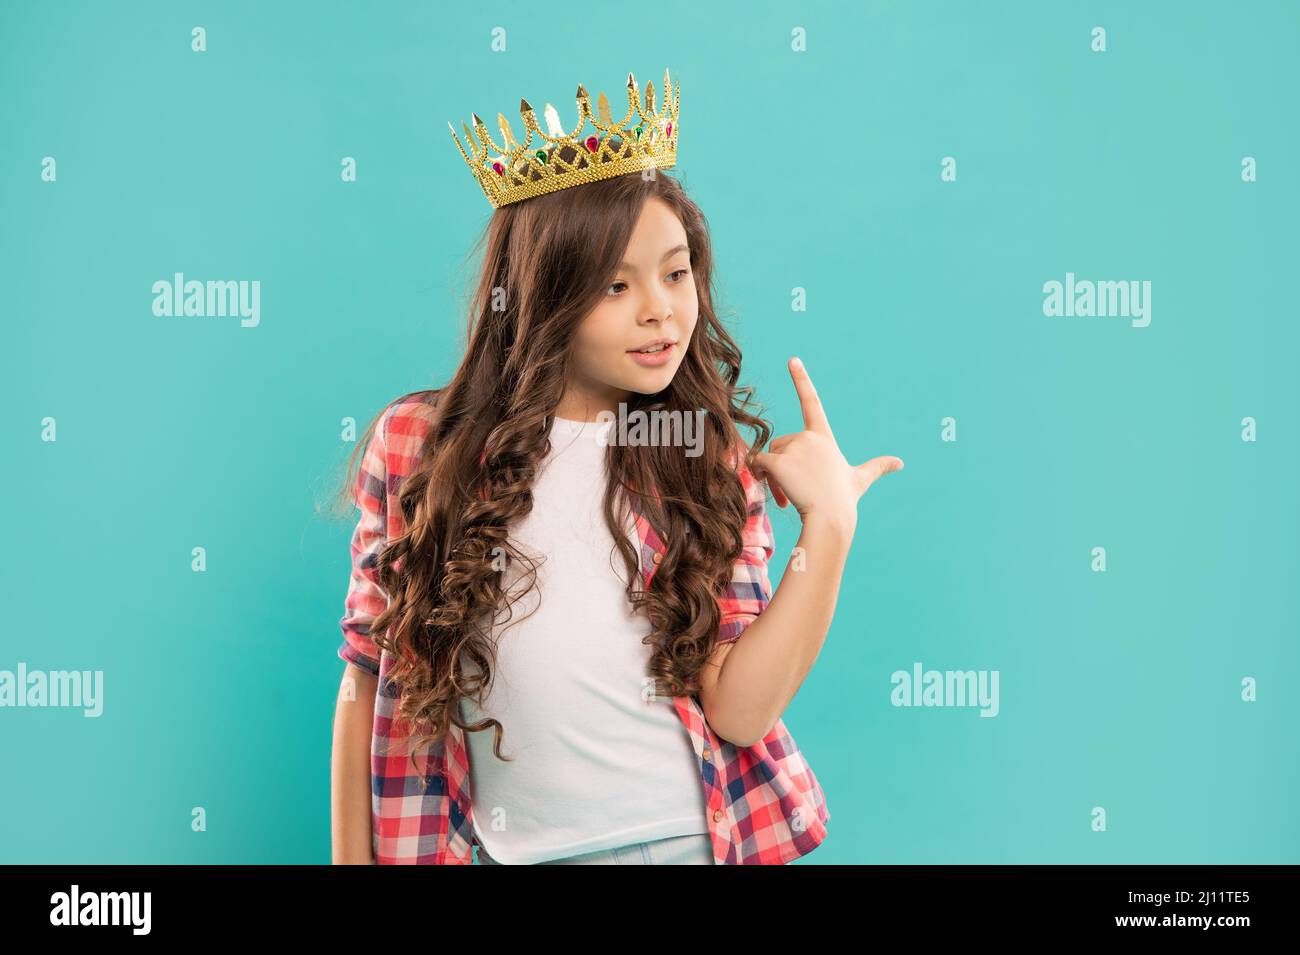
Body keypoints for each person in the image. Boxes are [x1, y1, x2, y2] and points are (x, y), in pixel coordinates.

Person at [329, 68, 903, 865]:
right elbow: (366, 675)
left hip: (687, 840)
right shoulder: (420, 445)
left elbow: (738, 710)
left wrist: (831, 527)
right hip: (495, 850)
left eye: (676, 273)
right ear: (542, 294)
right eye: (614, 284)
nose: (660, 309)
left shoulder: (700, 457)